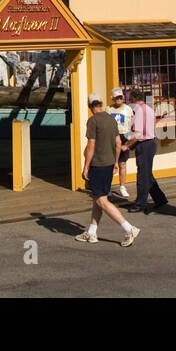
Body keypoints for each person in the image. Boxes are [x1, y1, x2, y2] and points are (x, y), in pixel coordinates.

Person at [75, 95, 140, 247]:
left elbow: (91, 145)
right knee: (98, 198)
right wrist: (116, 162)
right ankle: (91, 232)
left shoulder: (93, 120)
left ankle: (129, 228)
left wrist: (86, 166)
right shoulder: (111, 119)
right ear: (102, 103)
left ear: (89, 105)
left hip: (98, 164)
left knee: (101, 200)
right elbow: (118, 143)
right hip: (110, 162)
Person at [123, 88, 168, 212]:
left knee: (143, 176)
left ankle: (140, 203)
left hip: (145, 143)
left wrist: (126, 145)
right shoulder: (148, 109)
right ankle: (160, 199)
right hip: (150, 142)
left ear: (133, 99)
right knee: (147, 173)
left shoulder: (139, 110)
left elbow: (138, 133)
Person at [105, 87, 134, 199]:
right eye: (116, 97)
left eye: (120, 97)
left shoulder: (128, 109)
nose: (119, 99)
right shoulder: (109, 109)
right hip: (112, 136)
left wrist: (130, 139)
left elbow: (132, 123)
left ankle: (122, 186)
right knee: (110, 163)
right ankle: (108, 187)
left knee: (122, 163)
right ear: (113, 98)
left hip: (124, 135)